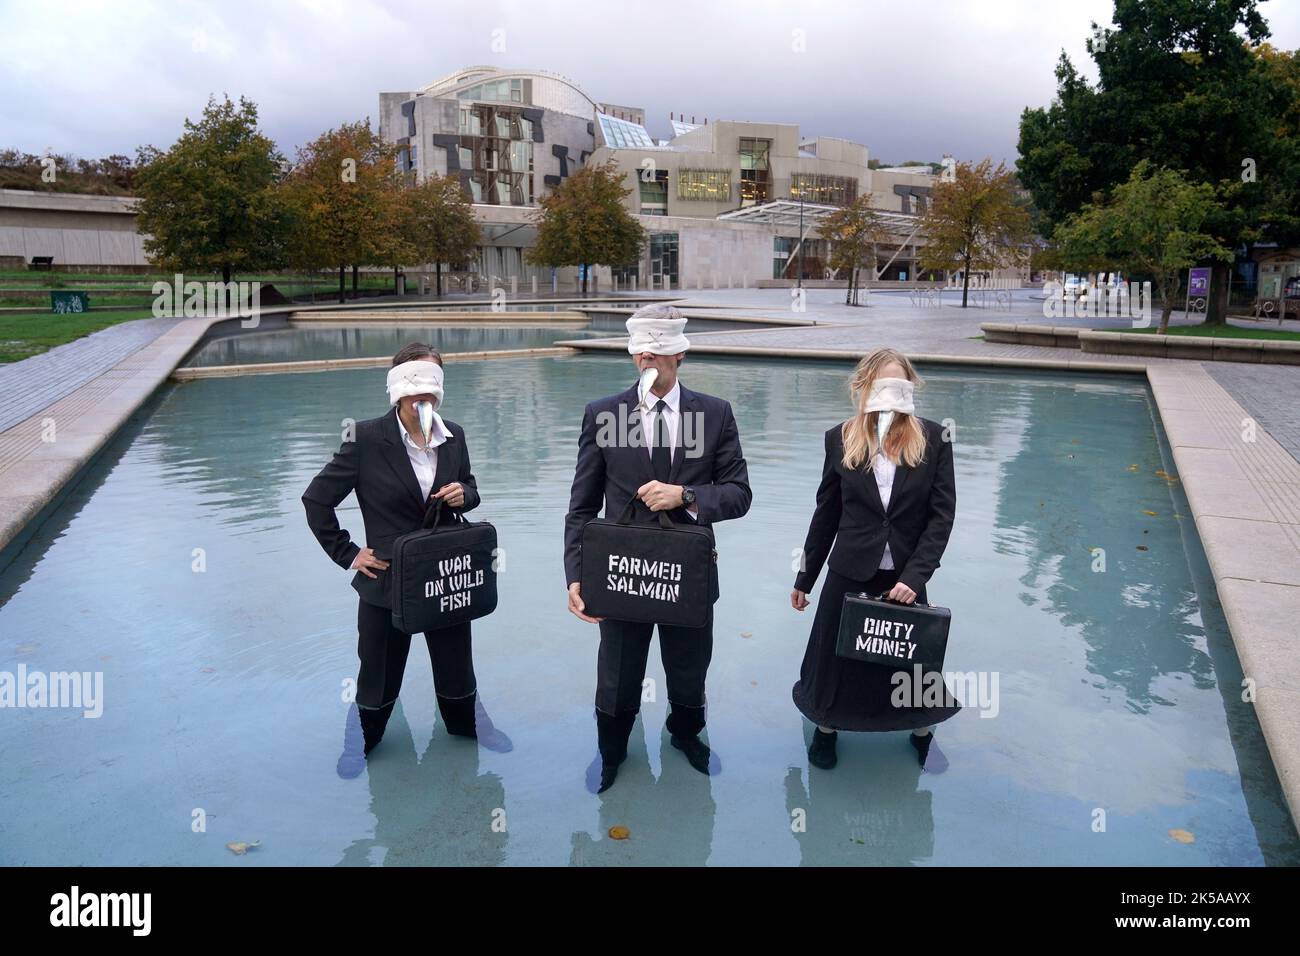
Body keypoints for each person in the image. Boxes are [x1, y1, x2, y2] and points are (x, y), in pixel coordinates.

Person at [564, 304, 752, 793]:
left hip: (687, 573)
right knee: (618, 672)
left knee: (689, 669)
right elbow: (581, 506)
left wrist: (687, 496)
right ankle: (611, 752)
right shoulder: (604, 414)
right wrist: (576, 575)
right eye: (641, 354)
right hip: (621, 570)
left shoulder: (714, 414)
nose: (648, 362)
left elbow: (739, 494)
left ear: (680, 356)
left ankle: (686, 735)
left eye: (658, 355)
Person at [303, 343, 487, 756]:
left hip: (444, 573)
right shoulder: (366, 438)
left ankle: (467, 728)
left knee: (457, 665)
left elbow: (471, 487)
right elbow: (316, 500)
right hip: (386, 577)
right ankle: (363, 743)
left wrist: (465, 494)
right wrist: (349, 553)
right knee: (378, 670)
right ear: (397, 387)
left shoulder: (453, 434)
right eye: (416, 383)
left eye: (432, 382)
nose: (424, 395)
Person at [790, 347, 959, 772]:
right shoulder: (839, 438)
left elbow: (942, 518)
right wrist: (805, 577)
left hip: (905, 573)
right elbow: (826, 513)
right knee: (836, 658)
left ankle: (922, 732)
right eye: (881, 384)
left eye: (897, 384)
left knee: (912, 659)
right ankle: (826, 729)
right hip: (850, 567)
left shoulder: (935, 439)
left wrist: (916, 576)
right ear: (864, 388)